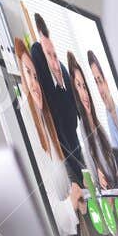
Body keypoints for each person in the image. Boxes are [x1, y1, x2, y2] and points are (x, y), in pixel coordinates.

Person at [16, 39, 84, 236]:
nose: (35, 83)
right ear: (21, 78)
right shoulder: (25, 129)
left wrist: (77, 198)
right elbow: (46, 215)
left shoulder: (47, 123)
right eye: (28, 74)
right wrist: (71, 203)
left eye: (36, 76)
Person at [28, 11, 84, 177]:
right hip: (63, 160)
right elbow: (37, 50)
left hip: (77, 153)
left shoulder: (64, 75)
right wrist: (41, 40)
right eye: (48, 56)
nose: (54, 62)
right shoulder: (38, 55)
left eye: (55, 55)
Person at [67, 51, 118, 192]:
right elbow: (97, 184)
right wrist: (96, 175)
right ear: (75, 93)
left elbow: (116, 163)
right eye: (78, 87)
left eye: (84, 86)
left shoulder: (100, 127)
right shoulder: (83, 133)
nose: (84, 94)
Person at [87, 50, 118, 151]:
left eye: (100, 80)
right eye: (96, 82)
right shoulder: (109, 119)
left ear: (107, 80)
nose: (99, 89)